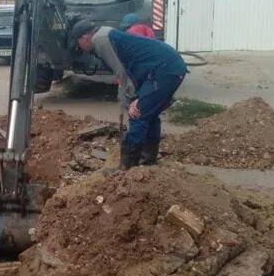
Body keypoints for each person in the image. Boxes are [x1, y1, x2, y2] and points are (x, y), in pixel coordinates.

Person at [70, 20, 187, 169]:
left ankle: (128, 167)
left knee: (137, 113)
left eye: (78, 43)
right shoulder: (105, 33)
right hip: (168, 66)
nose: (80, 48)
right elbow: (124, 69)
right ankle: (148, 160)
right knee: (149, 114)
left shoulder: (100, 40)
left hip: (165, 69)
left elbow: (121, 71)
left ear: (85, 38)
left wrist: (133, 98)